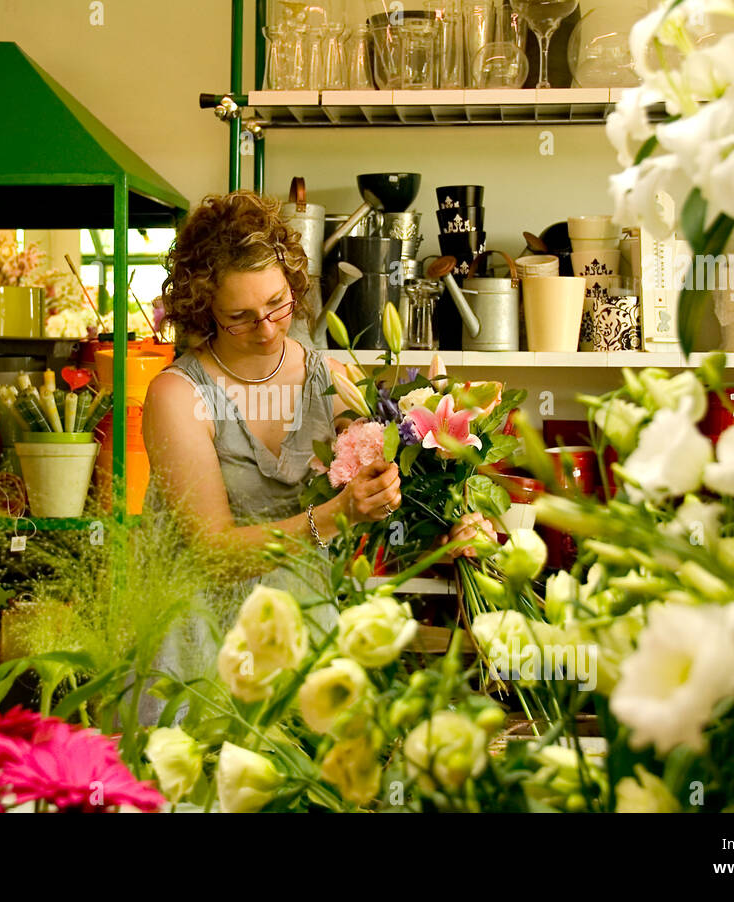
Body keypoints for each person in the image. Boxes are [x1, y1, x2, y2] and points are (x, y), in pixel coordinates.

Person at [140, 192, 491, 697]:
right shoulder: (178, 395)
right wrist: (334, 513)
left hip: (304, 646)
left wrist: (446, 529)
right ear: (203, 309)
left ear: (293, 283)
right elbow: (215, 552)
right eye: (239, 316)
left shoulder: (335, 381)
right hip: (201, 652)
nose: (265, 330)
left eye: (276, 304)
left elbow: (390, 510)